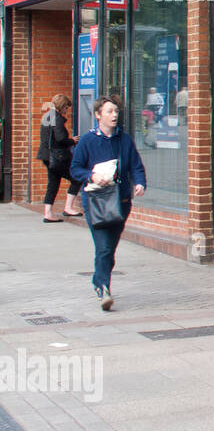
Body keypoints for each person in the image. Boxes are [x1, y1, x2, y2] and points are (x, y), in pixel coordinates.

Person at [69, 96, 147, 311]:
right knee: (103, 247)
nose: (114, 115)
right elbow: (75, 169)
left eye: (116, 111)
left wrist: (139, 183)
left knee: (109, 249)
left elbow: (136, 166)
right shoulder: (87, 141)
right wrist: (92, 176)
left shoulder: (124, 140)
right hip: (96, 201)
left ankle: (99, 280)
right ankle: (103, 287)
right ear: (98, 115)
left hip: (120, 201)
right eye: (109, 111)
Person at [37, 93, 83, 221]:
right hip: (58, 156)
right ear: (62, 106)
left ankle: (48, 213)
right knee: (76, 178)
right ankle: (68, 208)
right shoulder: (56, 118)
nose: (66, 110)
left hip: (47, 155)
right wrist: (72, 141)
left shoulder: (47, 116)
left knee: (53, 183)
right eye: (66, 107)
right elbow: (60, 138)